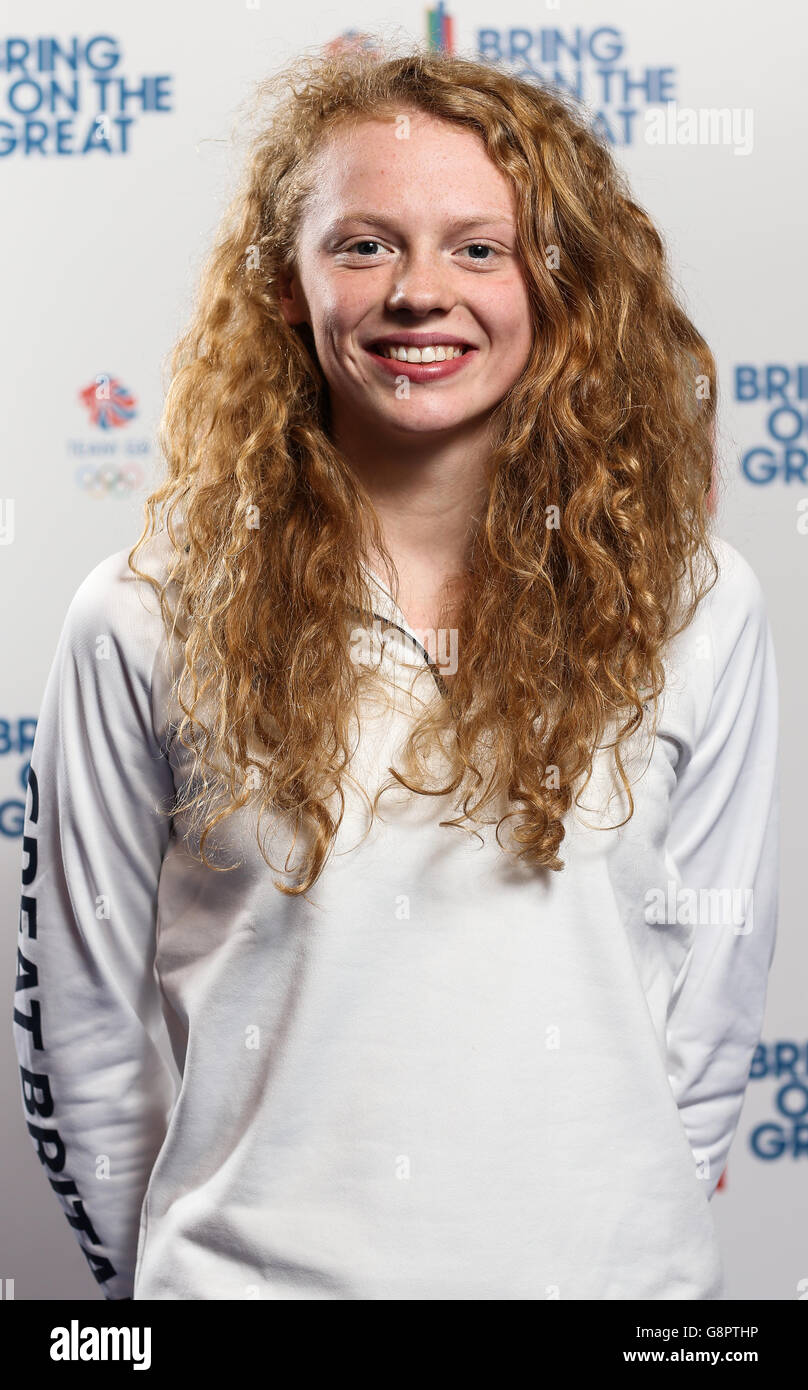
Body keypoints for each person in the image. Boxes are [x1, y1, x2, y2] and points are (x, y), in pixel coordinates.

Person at [13, 42, 779, 1301]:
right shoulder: (140, 617)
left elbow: (710, 1002)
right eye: (364, 244)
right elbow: (87, 1034)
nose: (421, 292)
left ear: (560, 286)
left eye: (479, 248)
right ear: (284, 285)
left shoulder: (695, 608)